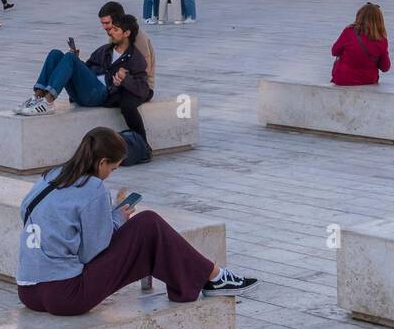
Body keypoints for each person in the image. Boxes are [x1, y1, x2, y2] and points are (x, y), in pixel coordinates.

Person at [17, 127, 256, 315]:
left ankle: (207, 277)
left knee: (146, 229)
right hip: (66, 294)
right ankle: (214, 277)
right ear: (101, 162)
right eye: (113, 168)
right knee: (148, 223)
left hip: (28, 291)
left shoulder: (52, 175)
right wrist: (118, 217)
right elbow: (92, 252)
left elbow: (26, 210)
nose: (111, 173)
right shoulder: (93, 187)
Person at [17, 14, 152, 140]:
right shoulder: (105, 50)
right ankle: (38, 97)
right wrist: (76, 61)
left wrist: (125, 79)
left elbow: (143, 88)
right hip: (87, 89)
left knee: (69, 58)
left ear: (127, 33)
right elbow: (88, 68)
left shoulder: (135, 59)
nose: (110, 32)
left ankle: (48, 102)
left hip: (102, 94)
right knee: (56, 54)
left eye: (115, 30)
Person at [331, 3, 391, 86]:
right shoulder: (382, 40)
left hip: (344, 78)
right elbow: (385, 67)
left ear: (359, 16)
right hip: (368, 80)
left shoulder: (348, 31)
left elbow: (334, 51)